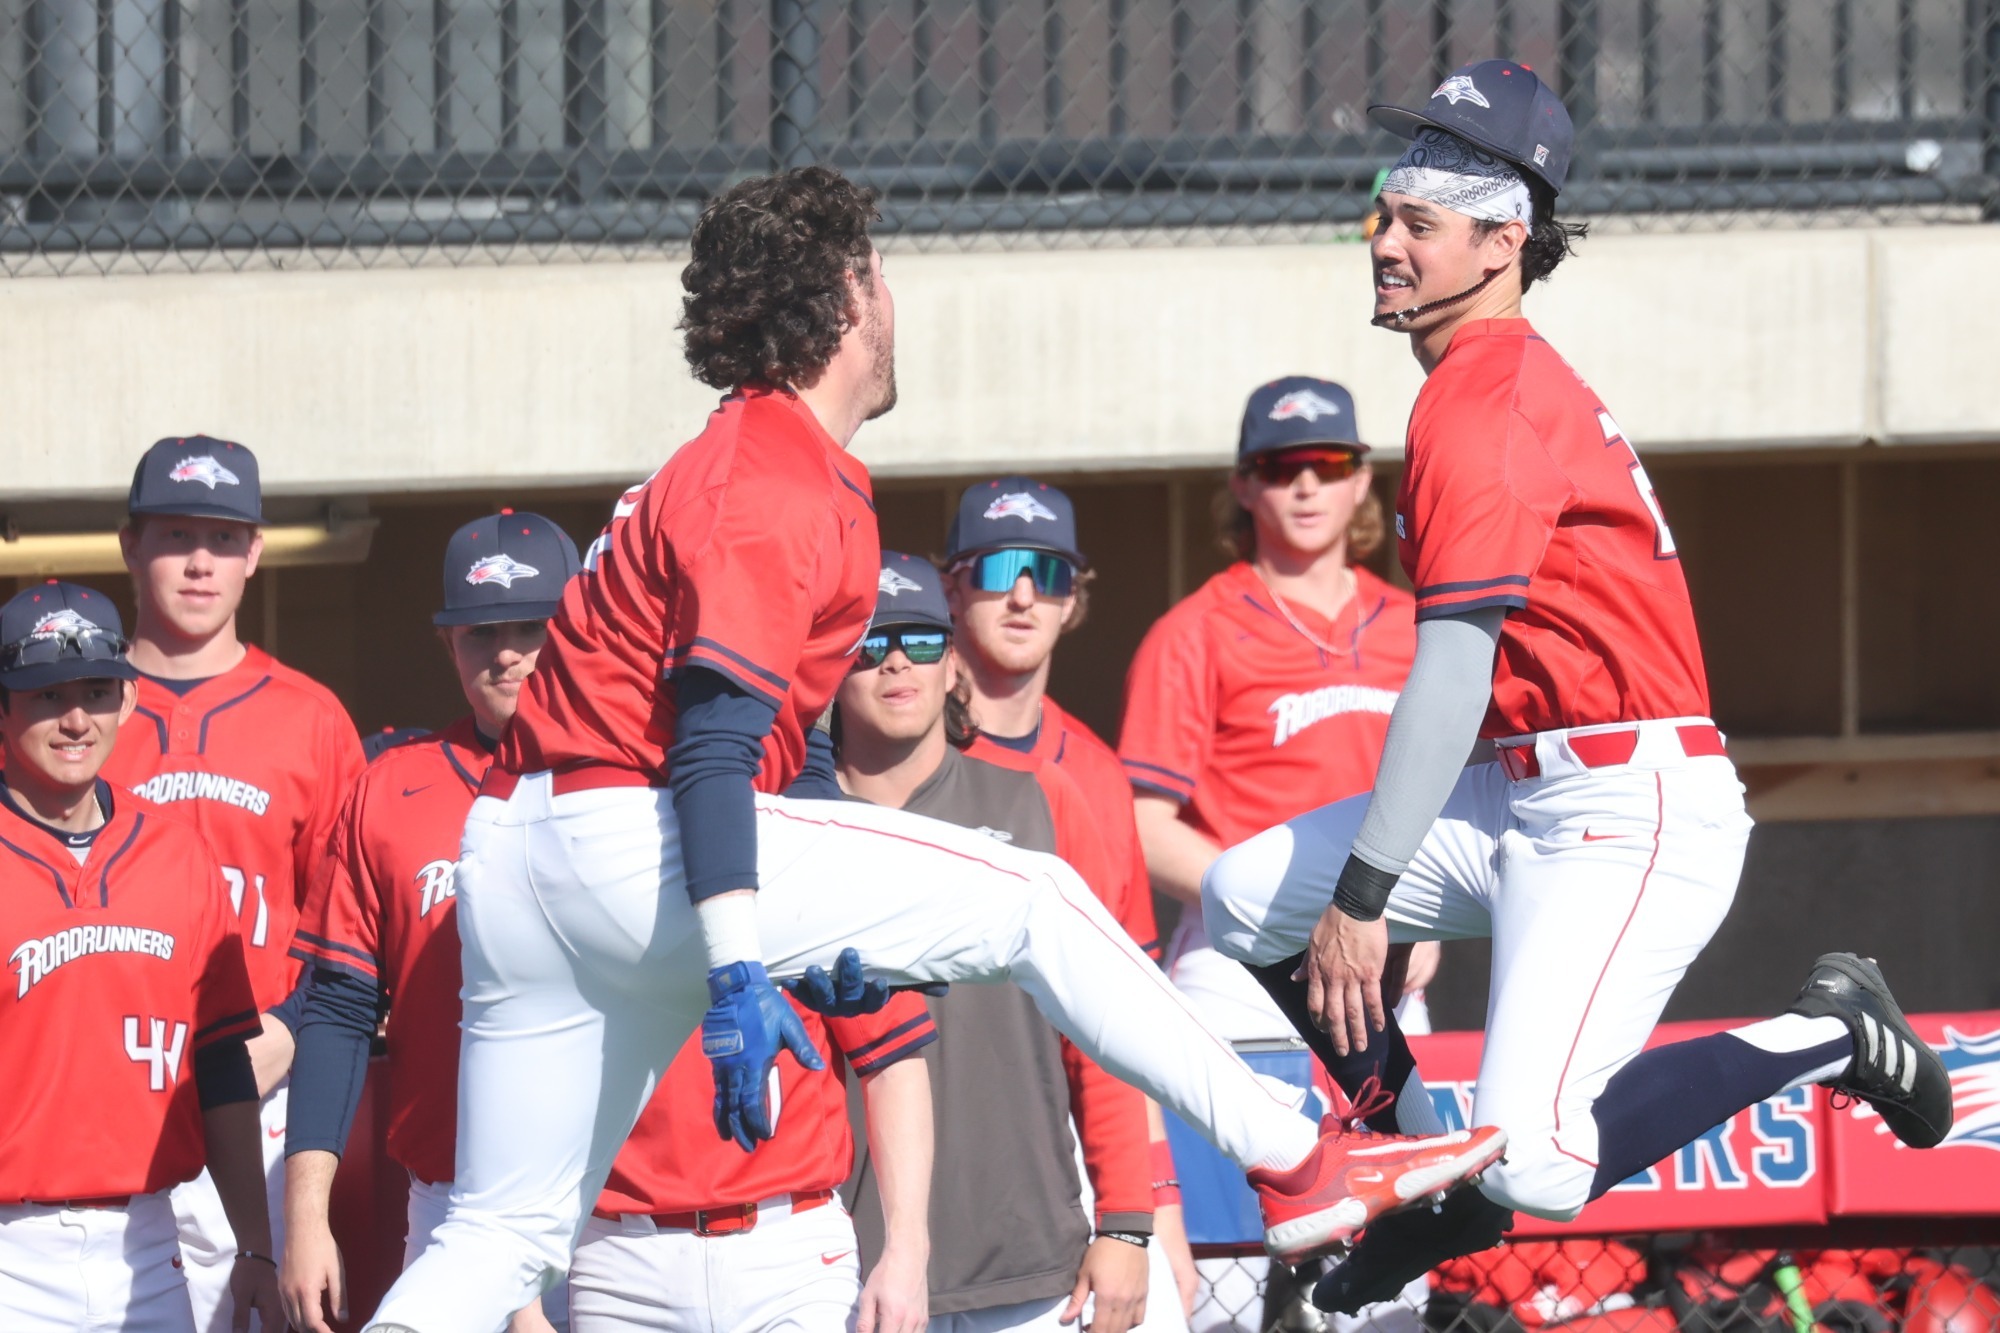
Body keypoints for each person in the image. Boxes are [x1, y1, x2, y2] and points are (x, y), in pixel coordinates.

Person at [362, 165, 1503, 1333]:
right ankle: (1301, 1163)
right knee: (1035, 893)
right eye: (880, 271)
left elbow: (724, 756)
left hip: (518, 851)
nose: (893, 299)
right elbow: (710, 748)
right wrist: (740, 960)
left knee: (496, 1238)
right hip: (629, 835)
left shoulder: (733, 458)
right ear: (848, 299)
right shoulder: (769, 473)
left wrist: (791, 944)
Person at [1197, 60, 1954, 1315]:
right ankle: (1423, 1151)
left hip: (1628, 806)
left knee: (1544, 1166)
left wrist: (1366, 894)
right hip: (1527, 786)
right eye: (1380, 215)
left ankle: (1832, 1028)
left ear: (1502, 240)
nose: (1382, 243)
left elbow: (1452, 661)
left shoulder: (1483, 394)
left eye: (1416, 223)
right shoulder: (1478, 381)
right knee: (1240, 894)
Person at [1118, 378, 1427, 1333]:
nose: (1305, 485)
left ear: (1362, 479)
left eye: (1327, 463)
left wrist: (1431, 915)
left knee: (1388, 1292)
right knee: (1224, 1293)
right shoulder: (1196, 630)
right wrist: (1280, 903)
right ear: (1244, 486)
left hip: (1384, 988)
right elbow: (1142, 820)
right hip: (1236, 995)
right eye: (1279, 466)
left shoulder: (1418, 627)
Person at [840, 552, 1171, 1333]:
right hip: (845, 1264)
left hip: (1027, 1257)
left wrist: (1126, 1220)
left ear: (952, 659)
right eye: (869, 642)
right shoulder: (791, 819)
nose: (897, 661)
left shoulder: (1038, 802)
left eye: (921, 640)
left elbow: (1105, 1023)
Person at [280, 511, 582, 1333]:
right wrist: (306, 1216)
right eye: (483, 631)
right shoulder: (390, 788)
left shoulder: (639, 779)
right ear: (446, 642)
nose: (509, 652)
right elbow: (340, 1009)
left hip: (613, 1206)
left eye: (532, 626)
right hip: (452, 1203)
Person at [103, 434, 368, 1331]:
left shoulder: (311, 718)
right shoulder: (71, 715)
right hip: (116, 1101)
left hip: (265, 1098)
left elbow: (351, 932)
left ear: (256, 553)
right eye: (176, 535)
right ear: (130, 544)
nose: (200, 561)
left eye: (223, 538)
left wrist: (289, 1031)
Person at [941, 477, 1195, 1320]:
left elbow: (1125, 1015)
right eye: (1001, 567)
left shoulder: (1094, 772)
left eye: (1047, 573)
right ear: (952, 584)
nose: (1022, 595)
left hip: (1056, 1152)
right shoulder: (889, 747)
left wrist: (1152, 1210)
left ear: (1073, 599)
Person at [0, 580, 283, 1332]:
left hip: (149, 1240)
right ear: (2, 706)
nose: (74, 719)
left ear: (127, 702)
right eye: (44, 694)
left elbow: (221, 1066)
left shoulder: (179, 853)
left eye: (96, 692)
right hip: (10, 1255)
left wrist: (255, 1243)